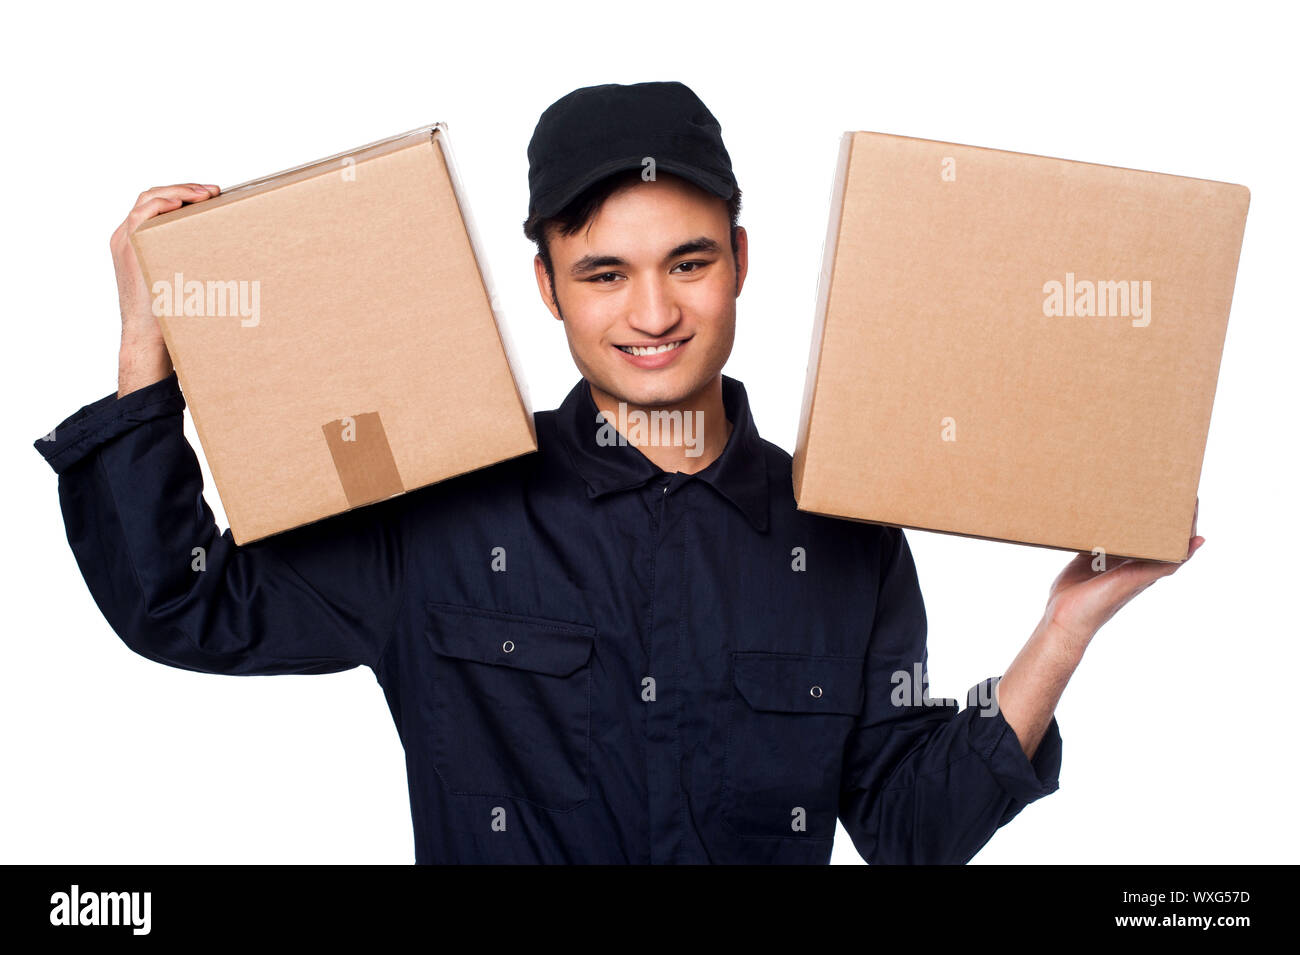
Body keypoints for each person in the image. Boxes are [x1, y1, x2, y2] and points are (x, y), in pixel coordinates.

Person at [33, 81, 1202, 864]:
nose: (653, 313)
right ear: (546, 284)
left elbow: (905, 823)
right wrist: (150, 354)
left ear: (740, 261)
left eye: (687, 262)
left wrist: (1065, 626)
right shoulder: (439, 513)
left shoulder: (847, 533)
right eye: (603, 273)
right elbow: (180, 604)